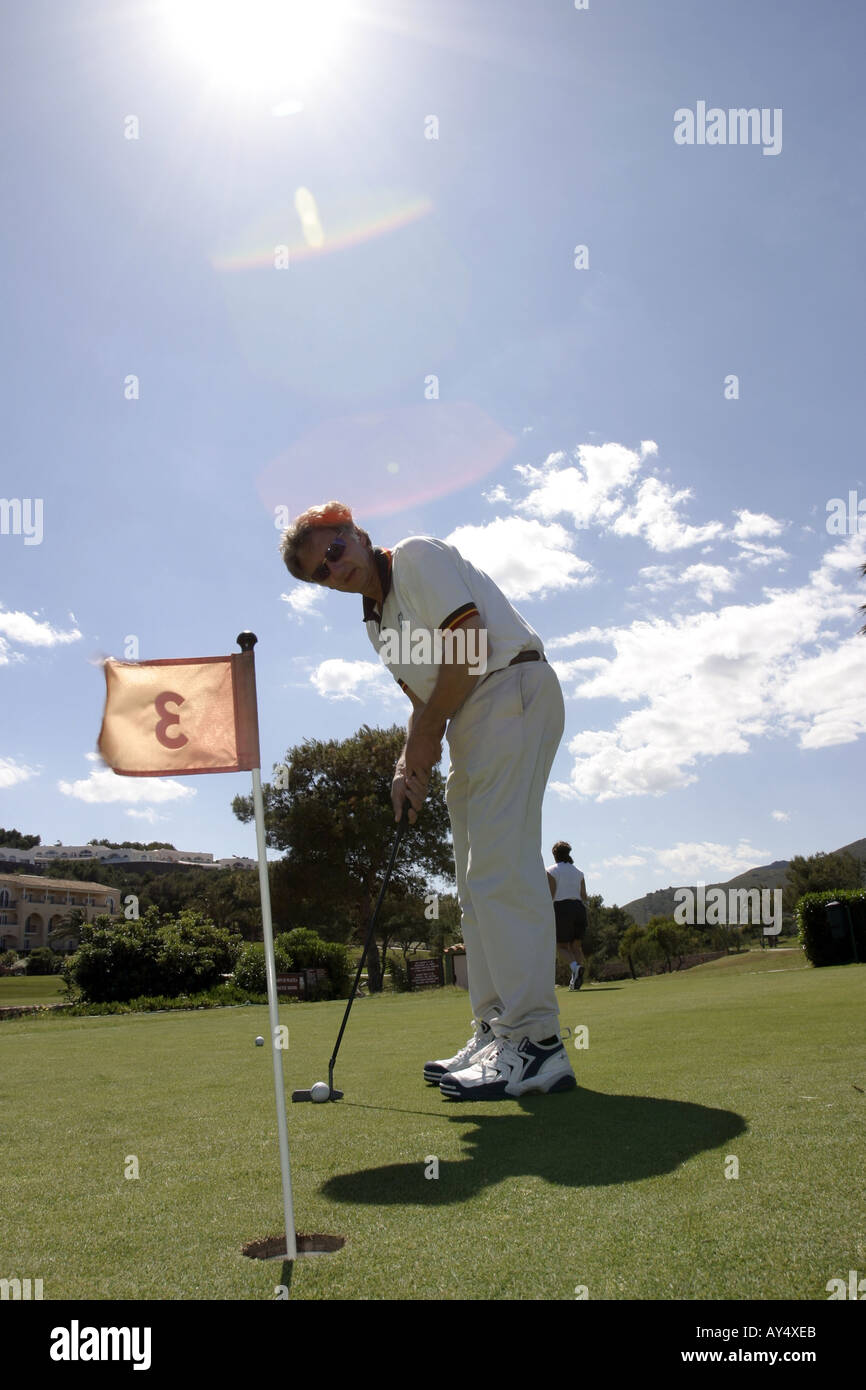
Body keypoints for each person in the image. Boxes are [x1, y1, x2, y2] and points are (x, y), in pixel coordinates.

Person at [280, 501, 576, 1101]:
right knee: (473, 885)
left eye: (334, 551)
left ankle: (537, 1044)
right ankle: (498, 1032)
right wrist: (405, 764)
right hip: (470, 719)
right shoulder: (373, 623)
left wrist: (425, 737)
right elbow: (423, 700)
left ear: (356, 532)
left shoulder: (415, 556)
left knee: (500, 869)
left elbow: (468, 646)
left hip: (508, 688)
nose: (333, 571)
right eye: (320, 573)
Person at [547, 842, 588, 989]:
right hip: (579, 908)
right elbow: (584, 896)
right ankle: (575, 979)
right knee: (576, 946)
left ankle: (575, 968)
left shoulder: (551, 871)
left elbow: (550, 894)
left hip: (562, 908)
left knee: (562, 946)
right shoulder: (579, 872)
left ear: (554, 855)